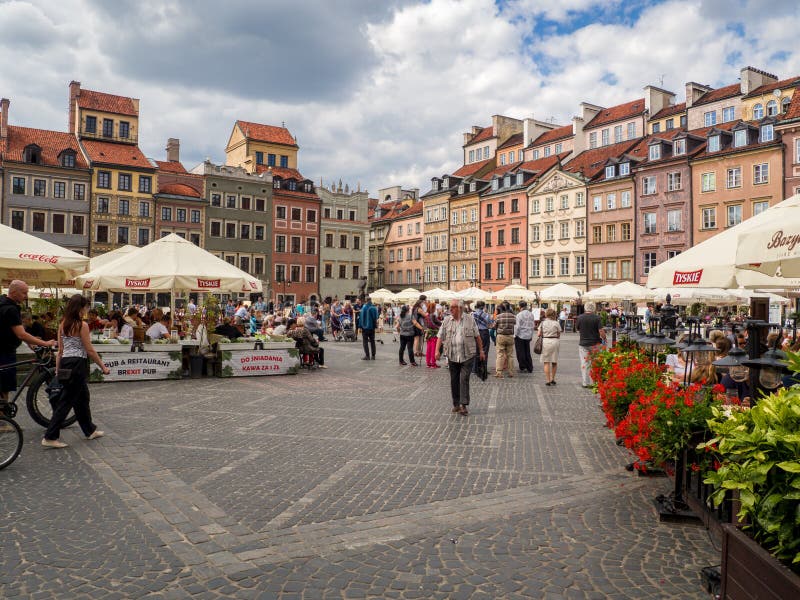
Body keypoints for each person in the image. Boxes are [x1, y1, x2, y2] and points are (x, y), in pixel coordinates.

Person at [43, 294, 109, 448]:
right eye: (85, 307)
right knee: (67, 401)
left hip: (66, 363)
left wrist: (58, 370)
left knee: (82, 397)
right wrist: (103, 367)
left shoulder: (63, 324)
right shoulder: (82, 325)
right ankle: (50, 436)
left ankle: (89, 430)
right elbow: (89, 350)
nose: (86, 310)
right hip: (77, 364)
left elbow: (60, 351)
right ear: (80, 308)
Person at [0, 280, 57, 405]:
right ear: (14, 292)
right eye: (24, 293)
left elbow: (10, 329)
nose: (26, 296)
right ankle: (2, 417)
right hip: (5, 352)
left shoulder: (2, 303)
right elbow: (21, 333)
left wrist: (30, 343)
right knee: (4, 386)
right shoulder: (10, 309)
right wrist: (45, 343)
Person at [435, 300, 485, 416]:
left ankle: (463, 405)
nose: (450, 309)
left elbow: (477, 336)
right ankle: (456, 404)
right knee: (454, 380)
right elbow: (440, 336)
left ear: (460, 308)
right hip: (452, 355)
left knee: (464, 379)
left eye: (453, 307)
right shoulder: (447, 320)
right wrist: (437, 350)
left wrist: (481, 350)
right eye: (450, 307)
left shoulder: (470, 319)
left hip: (467, 355)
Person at [576, 301, 606, 388]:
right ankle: (594, 382)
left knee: (584, 362)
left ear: (585, 308)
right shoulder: (597, 318)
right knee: (595, 363)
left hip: (583, 343)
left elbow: (577, 328)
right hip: (595, 343)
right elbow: (601, 331)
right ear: (594, 308)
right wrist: (604, 338)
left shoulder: (580, 317)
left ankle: (585, 382)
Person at [538, 308, 562, 386]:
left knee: (546, 362)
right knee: (554, 361)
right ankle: (553, 379)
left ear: (546, 314)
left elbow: (539, 334)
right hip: (555, 341)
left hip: (545, 342)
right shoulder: (556, 323)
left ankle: (548, 380)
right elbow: (559, 334)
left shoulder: (542, 323)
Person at [494, 302, 516, 378]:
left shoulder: (498, 316)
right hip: (510, 336)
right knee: (510, 355)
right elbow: (514, 324)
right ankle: (511, 372)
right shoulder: (513, 316)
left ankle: (499, 372)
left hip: (501, 336)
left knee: (500, 354)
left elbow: (494, 326)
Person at [471, 301, 493, 373]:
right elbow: (490, 324)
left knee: (475, 350)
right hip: (484, 333)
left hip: (475, 333)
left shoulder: (472, 314)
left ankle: (474, 369)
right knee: (484, 350)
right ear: (483, 306)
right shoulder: (486, 315)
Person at [514, 301, 535, 374]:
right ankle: (529, 366)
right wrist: (531, 335)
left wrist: (515, 335)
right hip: (528, 335)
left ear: (520, 307)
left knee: (520, 352)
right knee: (527, 351)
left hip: (520, 335)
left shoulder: (519, 315)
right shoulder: (531, 314)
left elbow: (517, 326)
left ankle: (522, 366)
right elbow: (533, 326)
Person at [358, 296, 379, 360]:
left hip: (365, 327)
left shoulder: (364, 307)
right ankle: (373, 356)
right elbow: (376, 317)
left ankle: (367, 356)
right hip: (372, 327)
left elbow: (361, 317)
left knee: (365, 341)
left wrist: (360, 326)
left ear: (366, 300)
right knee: (372, 341)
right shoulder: (374, 307)